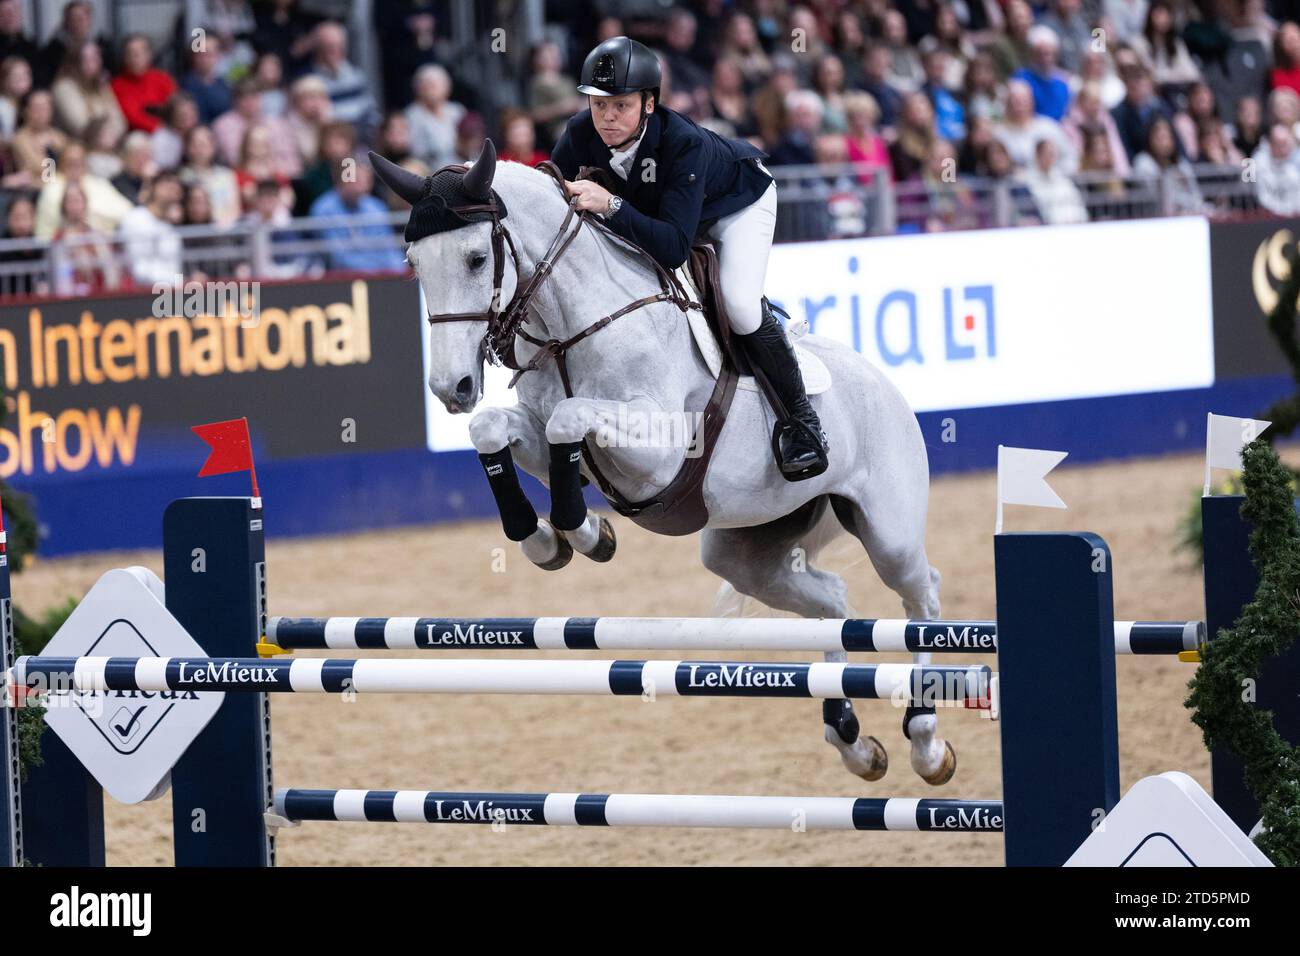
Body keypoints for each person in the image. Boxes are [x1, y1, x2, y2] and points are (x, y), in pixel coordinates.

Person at [551, 36, 827, 481]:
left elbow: (674, 248)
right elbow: (551, 195)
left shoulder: (682, 143)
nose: (606, 117)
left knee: (738, 304)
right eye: (598, 104)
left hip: (738, 203)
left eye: (620, 105)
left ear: (648, 103)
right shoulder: (580, 134)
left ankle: (802, 424)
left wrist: (611, 206)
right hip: (671, 213)